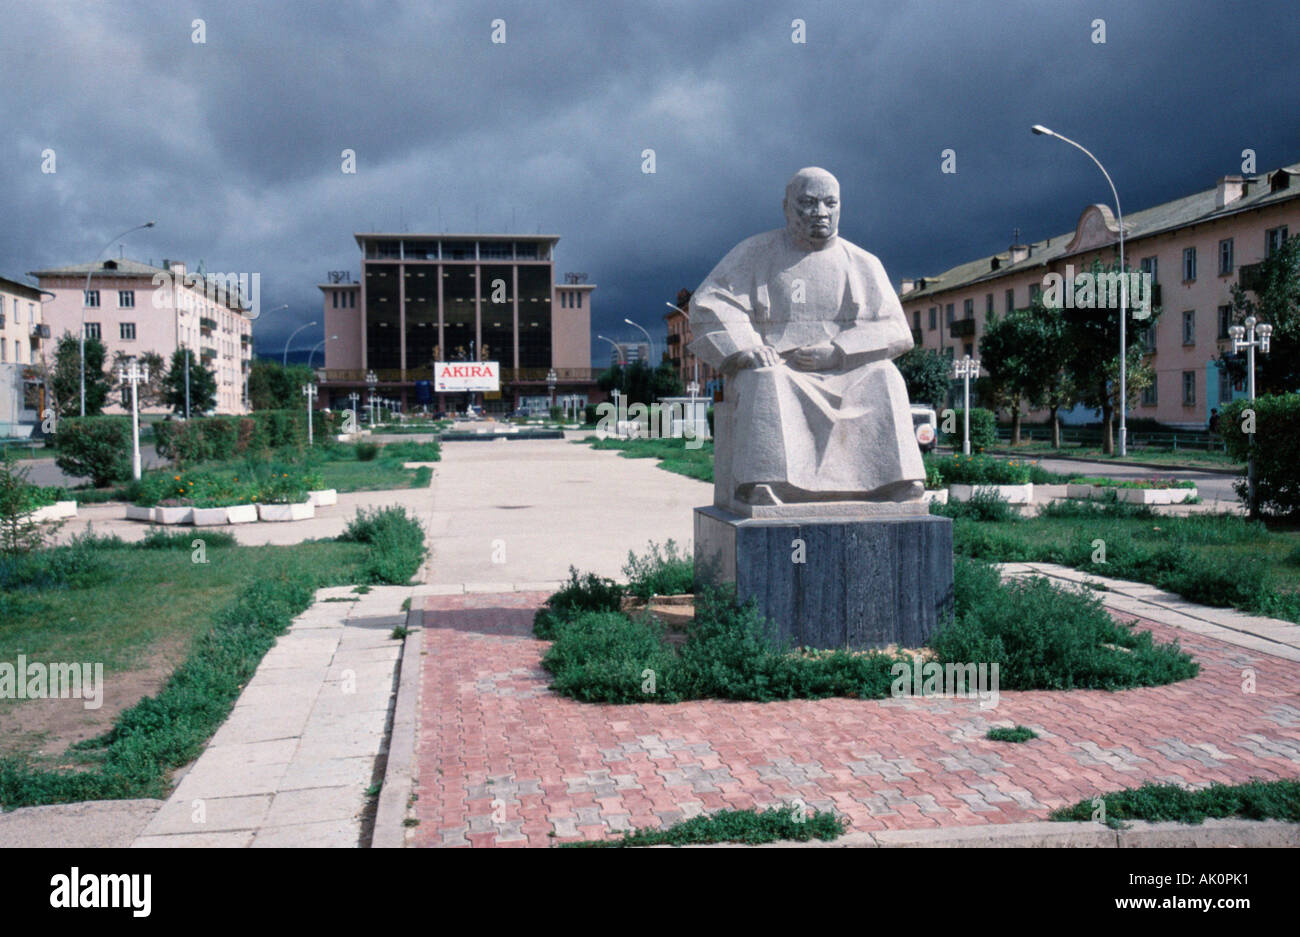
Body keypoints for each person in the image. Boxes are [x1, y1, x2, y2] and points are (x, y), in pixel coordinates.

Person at [688, 167, 924, 505]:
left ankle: (895, 482)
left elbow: (897, 330)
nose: (821, 213)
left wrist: (839, 351)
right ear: (786, 207)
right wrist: (749, 348)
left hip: (845, 370)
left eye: (830, 203)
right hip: (780, 367)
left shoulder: (863, 263)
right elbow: (708, 304)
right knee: (766, 379)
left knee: (886, 375)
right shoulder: (755, 253)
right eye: (809, 203)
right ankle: (767, 483)